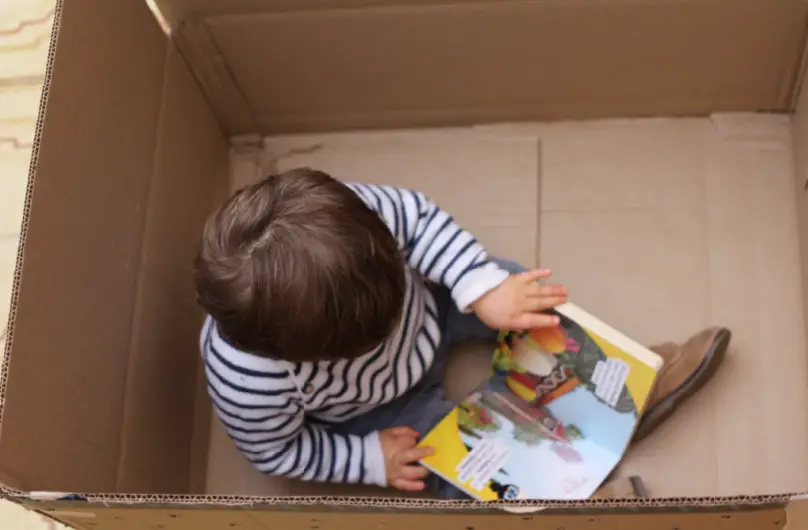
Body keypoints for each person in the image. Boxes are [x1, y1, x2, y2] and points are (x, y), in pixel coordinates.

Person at [193, 168, 729, 498]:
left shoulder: (337, 212)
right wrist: (367, 459)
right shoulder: (248, 379)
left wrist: (479, 286)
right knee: (442, 461)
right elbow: (275, 451)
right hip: (372, 408)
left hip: (436, 308)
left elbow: (420, 220)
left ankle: (619, 382)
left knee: (516, 292)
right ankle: (561, 500)